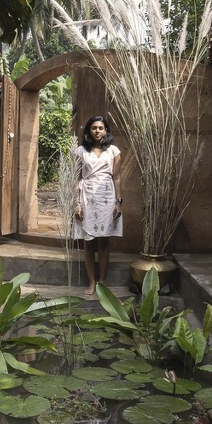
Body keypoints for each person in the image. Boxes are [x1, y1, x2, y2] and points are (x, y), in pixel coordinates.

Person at [72, 115, 122, 296]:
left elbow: (117, 178)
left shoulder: (114, 151)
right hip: (87, 196)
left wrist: (118, 202)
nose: (97, 131)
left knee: (104, 242)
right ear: (89, 130)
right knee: (88, 242)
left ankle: (102, 282)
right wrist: (77, 203)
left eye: (101, 128)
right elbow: (76, 178)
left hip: (107, 197)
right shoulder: (80, 151)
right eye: (94, 128)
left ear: (106, 130)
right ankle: (91, 282)